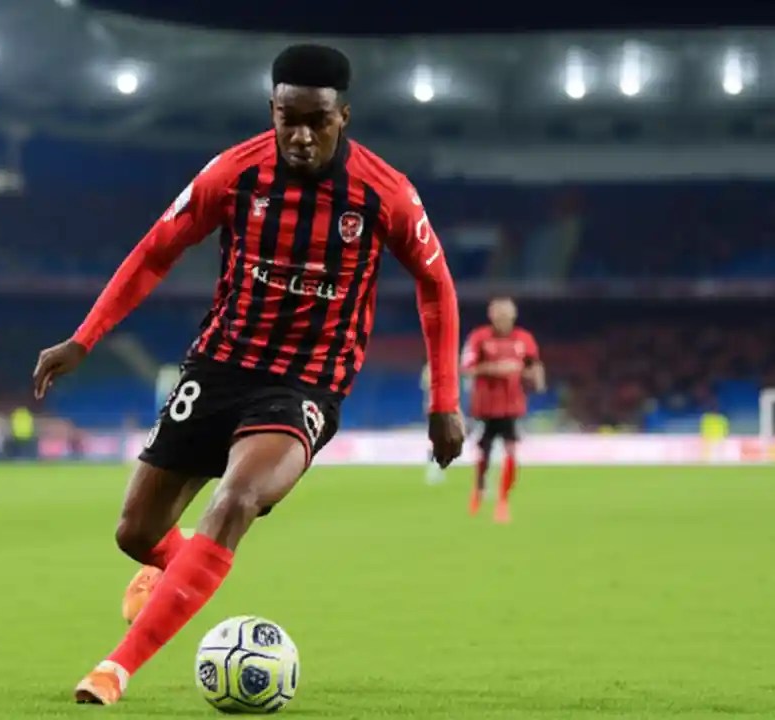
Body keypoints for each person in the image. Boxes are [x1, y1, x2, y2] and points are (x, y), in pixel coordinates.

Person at [31, 43, 465, 706]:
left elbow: (436, 286)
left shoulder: (385, 193)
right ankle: (177, 581)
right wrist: (85, 338)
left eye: (317, 119)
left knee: (234, 500)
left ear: (343, 116)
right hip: (221, 364)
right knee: (135, 534)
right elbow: (156, 251)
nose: (300, 133)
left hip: (305, 383)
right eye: (287, 116)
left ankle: (114, 669)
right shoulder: (233, 174)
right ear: (272, 109)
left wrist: (444, 400)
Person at [461, 297, 544, 522]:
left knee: (511, 453)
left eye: (506, 315)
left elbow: (534, 365)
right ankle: (478, 491)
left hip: (512, 406)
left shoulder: (524, 339)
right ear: (491, 316)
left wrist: (536, 378)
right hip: (485, 407)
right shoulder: (479, 337)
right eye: (499, 315)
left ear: (513, 316)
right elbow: (466, 369)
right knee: (484, 454)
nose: (503, 320)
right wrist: (495, 368)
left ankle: (502, 501)